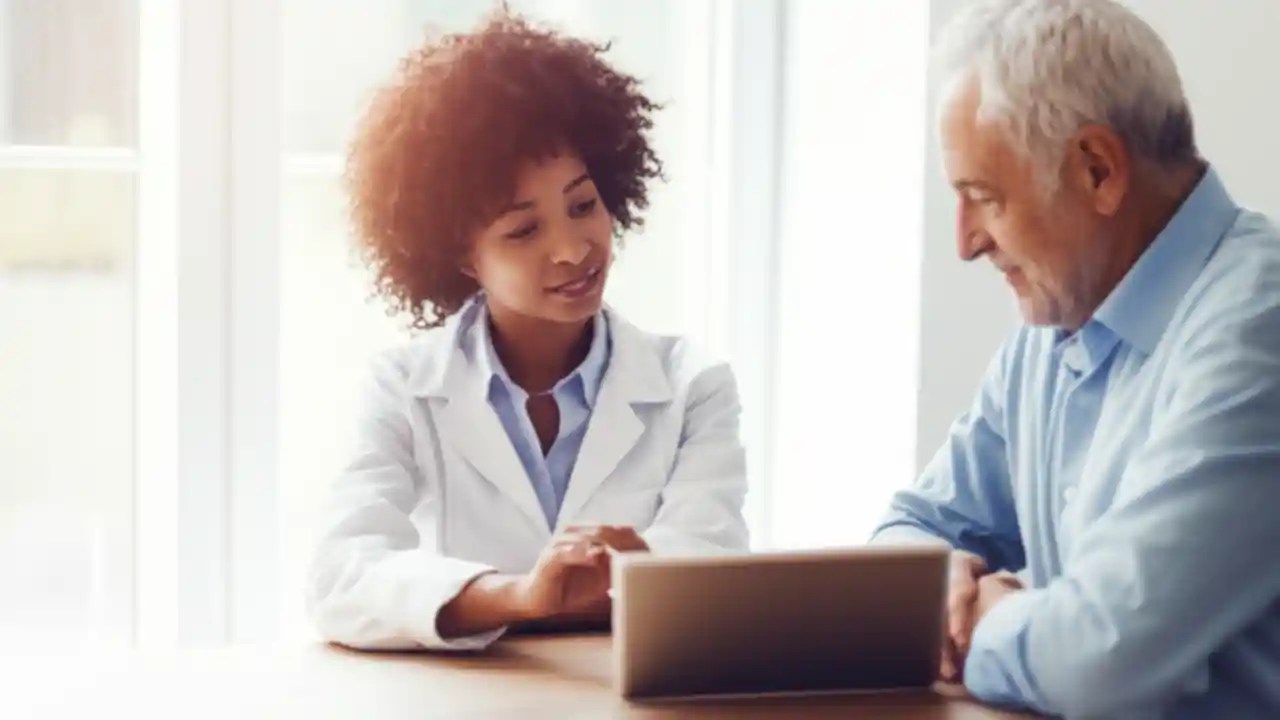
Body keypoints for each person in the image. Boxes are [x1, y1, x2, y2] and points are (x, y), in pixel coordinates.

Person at [870, 0, 1280, 717]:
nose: (965, 243)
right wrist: (937, 584)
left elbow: (1100, 660)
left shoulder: (1259, 329)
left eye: (984, 199)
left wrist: (989, 618)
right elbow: (913, 530)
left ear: (1097, 170)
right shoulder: (1051, 327)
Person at [306, 11, 748, 652]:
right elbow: (342, 576)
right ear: (459, 256)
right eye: (523, 230)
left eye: (583, 205)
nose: (573, 250)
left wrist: (635, 567)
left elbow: (715, 563)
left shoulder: (693, 387)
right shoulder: (403, 388)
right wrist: (520, 594)